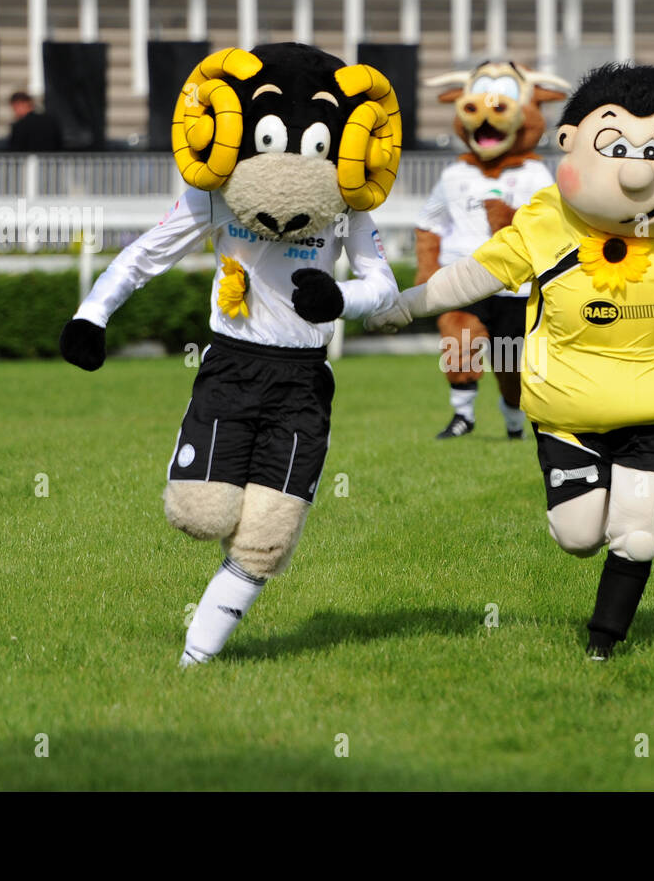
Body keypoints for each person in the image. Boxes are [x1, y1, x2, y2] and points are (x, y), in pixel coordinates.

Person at [369, 64, 654, 660]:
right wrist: (405, 305)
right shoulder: (546, 219)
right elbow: (477, 273)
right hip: (571, 414)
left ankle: (602, 645)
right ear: (570, 143)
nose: (636, 170)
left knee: (636, 531)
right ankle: (591, 513)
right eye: (613, 146)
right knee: (578, 534)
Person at [58, 45, 402, 666]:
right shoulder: (218, 193)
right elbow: (146, 254)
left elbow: (383, 287)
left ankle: (195, 662)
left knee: (266, 539)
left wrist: (339, 297)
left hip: (303, 381)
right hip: (231, 367)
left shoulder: (348, 203)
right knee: (199, 512)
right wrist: (93, 312)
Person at [414, 61, 568, 439]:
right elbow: (430, 222)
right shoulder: (454, 175)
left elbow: (551, 222)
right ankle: (462, 415)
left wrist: (511, 218)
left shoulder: (535, 174)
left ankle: (514, 420)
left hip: (513, 284)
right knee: (459, 340)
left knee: (511, 358)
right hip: (463, 277)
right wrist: (428, 269)